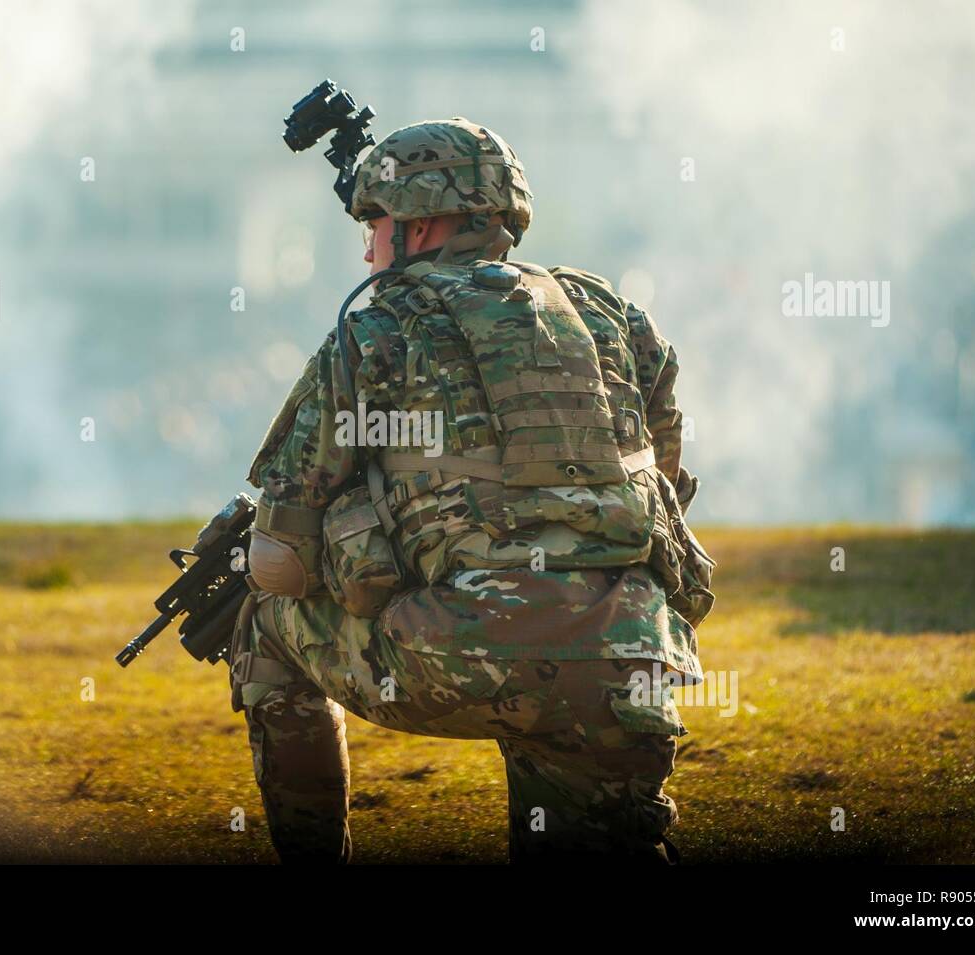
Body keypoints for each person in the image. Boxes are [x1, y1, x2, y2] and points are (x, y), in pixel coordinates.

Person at [229, 117, 715, 863]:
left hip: (459, 658)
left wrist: (367, 544)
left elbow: (279, 559)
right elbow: (667, 482)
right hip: (631, 664)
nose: (367, 246)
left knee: (263, 615)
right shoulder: (612, 315)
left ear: (418, 225)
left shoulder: (371, 333)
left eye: (375, 221)